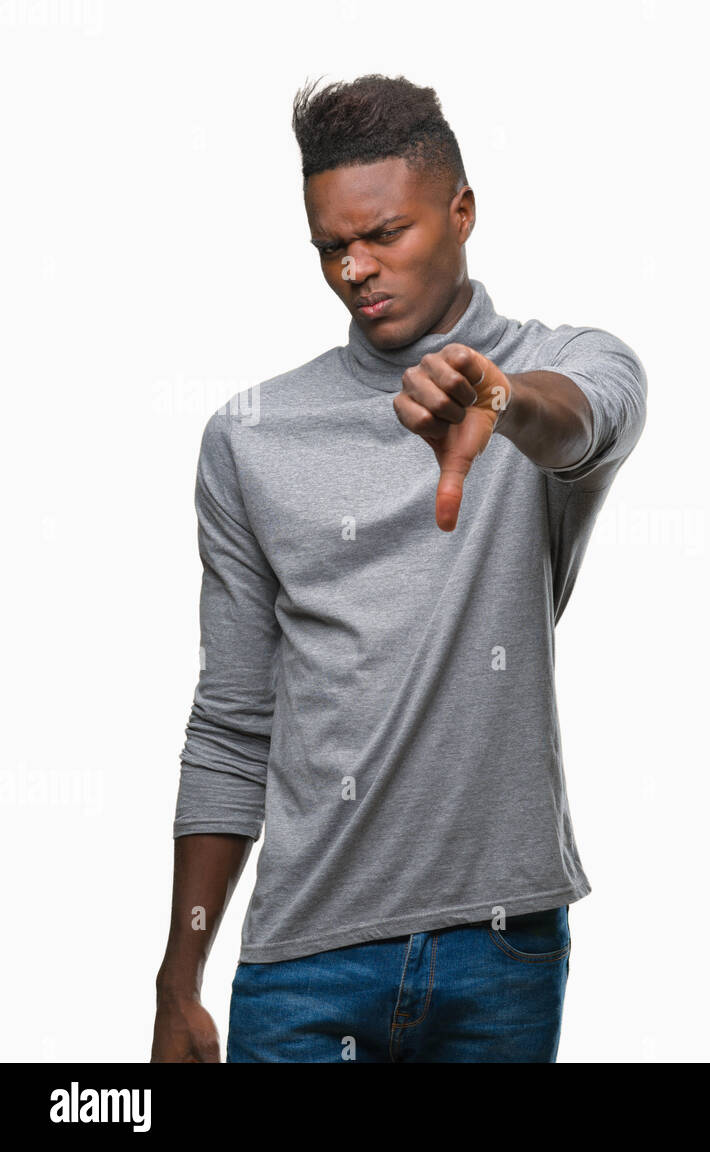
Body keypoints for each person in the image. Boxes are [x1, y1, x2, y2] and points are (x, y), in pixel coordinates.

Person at [150, 73, 647, 1063]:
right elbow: (234, 719)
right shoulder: (251, 437)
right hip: (305, 961)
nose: (356, 268)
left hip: (500, 951)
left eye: (387, 234)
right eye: (332, 246)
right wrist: (179, 977)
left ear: (462, 210)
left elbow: (585, 418)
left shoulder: (564, 365)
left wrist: (501, 401)